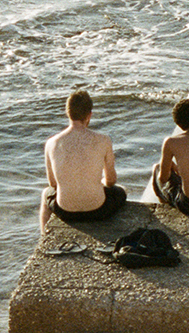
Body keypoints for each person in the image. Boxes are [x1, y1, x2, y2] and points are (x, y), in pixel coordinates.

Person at [39, 90, 127, 233]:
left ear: (68, 113)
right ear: (89, 115)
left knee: (45, 193)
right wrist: (100, 183)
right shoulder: (104, 140)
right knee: (121, 191)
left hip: (65, 211)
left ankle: (44, 235)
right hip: (98, 210)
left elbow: (53, 184)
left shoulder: (51, 143)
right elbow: (111, 181)